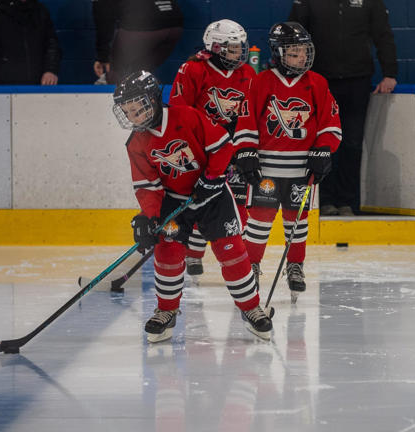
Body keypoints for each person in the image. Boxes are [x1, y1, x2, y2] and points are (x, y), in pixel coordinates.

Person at [113, 70, 272, 342]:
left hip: (214, 198)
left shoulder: (187, 116)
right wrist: (150, 217)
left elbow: (222, 146)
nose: (133, 117)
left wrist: (211, 178)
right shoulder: (136, 143)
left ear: (153, 99)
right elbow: (147, 186)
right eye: (127, 112)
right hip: (175, 201)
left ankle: (251, 308)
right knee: (168, 252)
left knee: (232, 252)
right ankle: (166, 310)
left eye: (137, 108)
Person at [233, 22, 341, 303]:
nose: (302, 57)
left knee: (297, 222)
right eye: (295, 52)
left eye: (304, 51)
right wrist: (246, 152)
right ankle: (250, 267)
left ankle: (295, 266)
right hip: (266, 170)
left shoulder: (317, 83)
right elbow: (246, 121)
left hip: (300, 169)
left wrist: (323, 150)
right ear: (279, 53)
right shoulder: (261, 81)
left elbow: (330, 123)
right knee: (259, 221)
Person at [289, 0, 398, 216]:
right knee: (322, 141)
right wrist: (292, 73)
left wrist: (390, 73)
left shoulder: (370, 2)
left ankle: (347, 201)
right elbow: (293, 35)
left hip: (358, 81)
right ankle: (325, 200)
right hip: (320, 80)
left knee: (353, 143)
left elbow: (383, 34)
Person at [168, 19, 257, 276]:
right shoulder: (193, 69)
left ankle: (237, 261)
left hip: (234, 150)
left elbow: (251, 115)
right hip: (203, 151)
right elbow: (179, 113)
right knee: (201, 202)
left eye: (240, 47)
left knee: (238, 207)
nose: (239, 53)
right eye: (233, 48)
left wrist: (243, 144)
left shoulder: (247, 74)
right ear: (216, 47)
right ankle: (194, 253)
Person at [0, 0, 61, 95]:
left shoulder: (41, 11)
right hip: (1, 90)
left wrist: (50, 70)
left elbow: (51, 44)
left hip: (36, 88)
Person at [92, 0, 184, 85]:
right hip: (175, 25)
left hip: (144, 23)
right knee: (139, 72)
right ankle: (145, 89)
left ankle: (107, 88)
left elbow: (103, 18)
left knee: (115, 70)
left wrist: (103, 57)